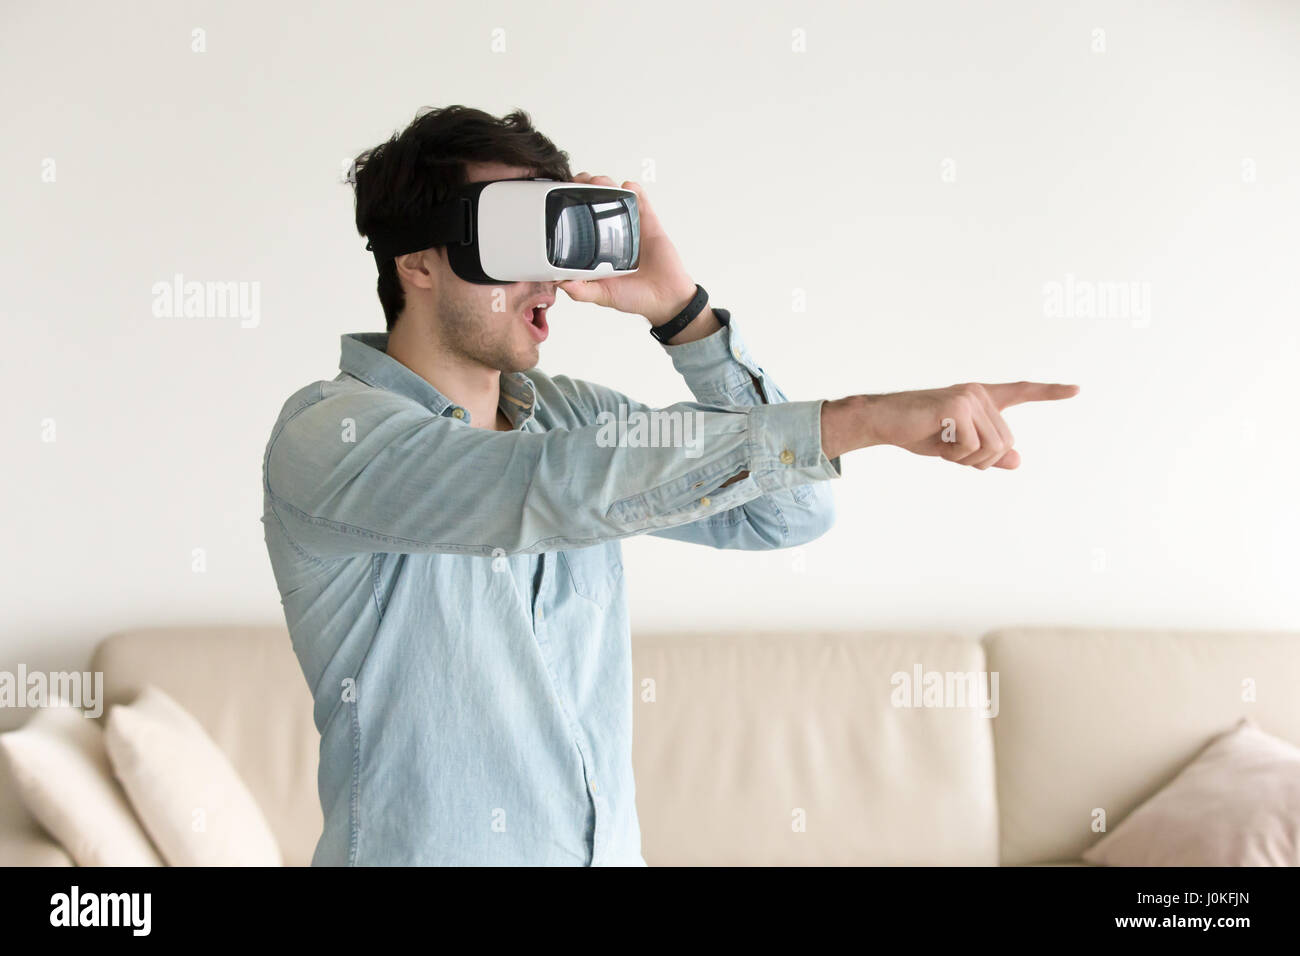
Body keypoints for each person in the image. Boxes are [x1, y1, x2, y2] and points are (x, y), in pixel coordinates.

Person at [261, 105, 1078, 866]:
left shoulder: (568, 414)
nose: (545, 280)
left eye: (553, 238)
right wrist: (863, 419)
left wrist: (686, 317)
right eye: (511, 243)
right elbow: (542, 491)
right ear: (418, 262)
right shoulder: (331, 437)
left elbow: (787, 513)